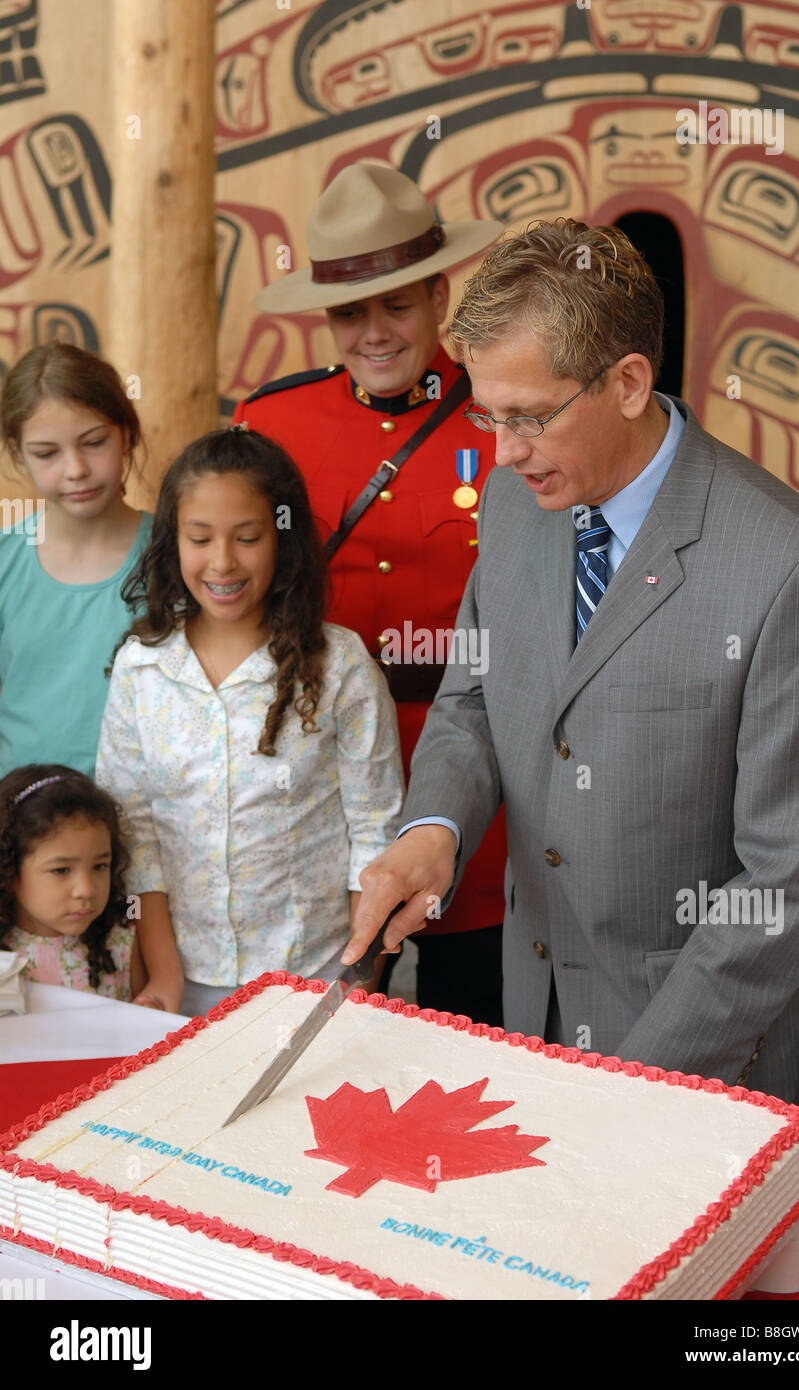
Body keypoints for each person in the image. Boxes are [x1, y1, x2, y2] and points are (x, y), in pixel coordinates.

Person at [342, 219, 799, 1131]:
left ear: (629, 382)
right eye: (486, 413)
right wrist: (434, 827)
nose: (502, 451)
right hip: (534, 1014)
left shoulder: (792, 568)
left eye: (528, 416)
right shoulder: (517, 496)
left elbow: (779, 888)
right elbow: (472, 696)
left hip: (706, 1072)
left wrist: (626, 1089)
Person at [234, 161, 508, 1025]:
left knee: (482, 1022)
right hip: (327, 781)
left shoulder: (504, 420)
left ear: (439, 294)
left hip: (477, 776)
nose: (374, 333)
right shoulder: (272, 423)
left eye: (397, 305)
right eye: (350, 312)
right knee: (329, 1033)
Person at [96, 425, 405, 1019]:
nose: (222, 562)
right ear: (172, 541)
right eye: (200, 538)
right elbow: (135, 834)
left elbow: (375, 831)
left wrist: (360, 975)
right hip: (179, 980)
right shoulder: (142, 668)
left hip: (315, 976)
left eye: (247, 537)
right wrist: (162, 973)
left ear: (282, 538)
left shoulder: (340, 666)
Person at [0, 343, 151, 779]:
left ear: (127, 433)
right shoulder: (7, 560)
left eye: (94, 442)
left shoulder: (178, 556)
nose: (76, 469)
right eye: (47, 453)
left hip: (147, 818)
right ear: (17, 453)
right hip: (26, 822)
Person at [0, 764, 154, 1002]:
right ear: (9, 870)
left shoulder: (122, 941)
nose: (87, 889)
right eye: (61, 870)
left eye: (99, 866)